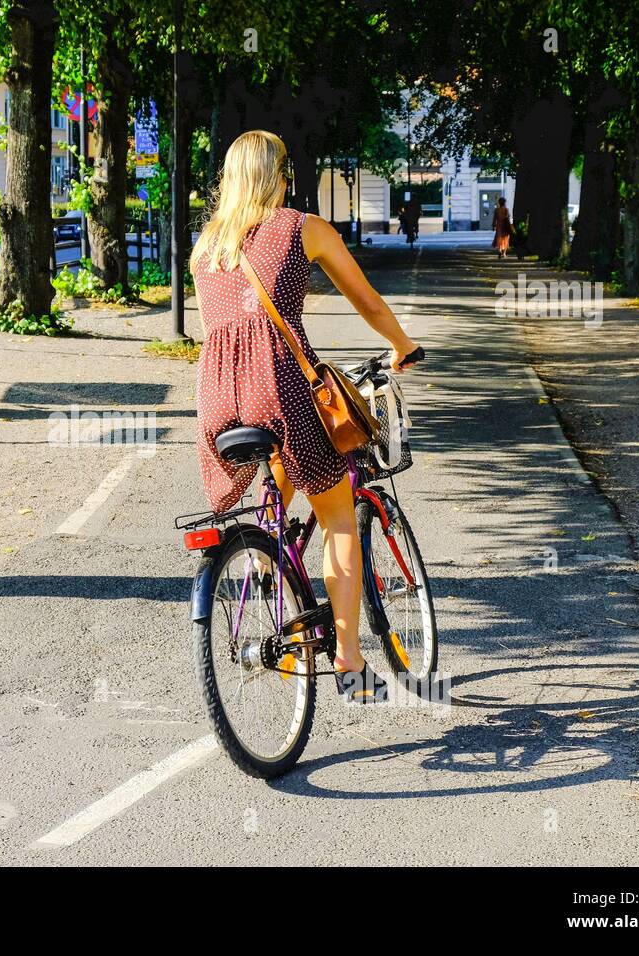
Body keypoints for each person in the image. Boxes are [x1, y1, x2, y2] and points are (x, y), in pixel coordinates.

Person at [191, 130, 421, 703]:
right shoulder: (301, 227)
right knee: (340, 516)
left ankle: (269, 564)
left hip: (220, 398)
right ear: (281, 174)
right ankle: (348, 660)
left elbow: (229, 333)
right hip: (280, 388)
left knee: (280, 463)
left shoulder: (207, 245)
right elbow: (364, 299)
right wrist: (401, 345)